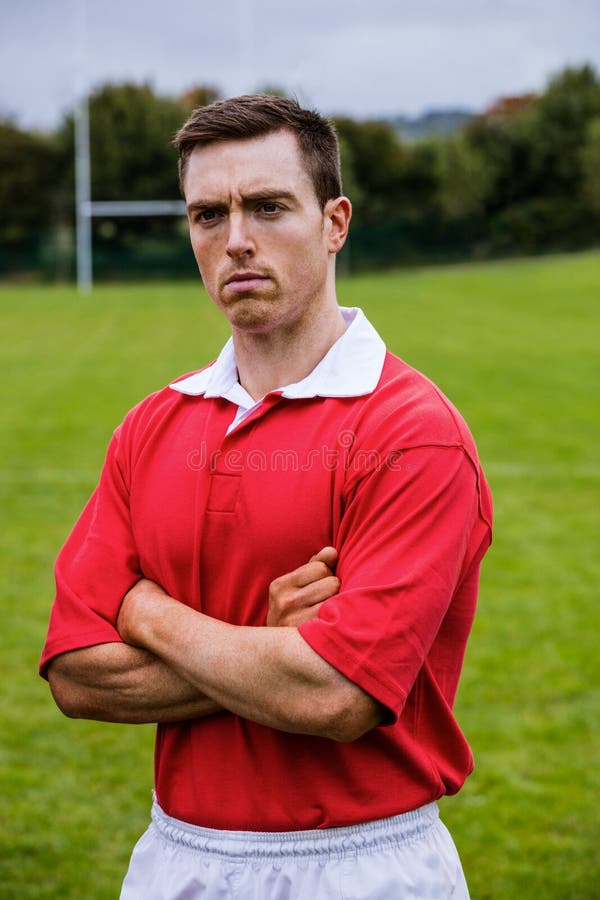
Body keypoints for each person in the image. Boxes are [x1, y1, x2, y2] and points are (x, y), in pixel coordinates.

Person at [40, 94, 493, 899]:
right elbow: (77, 677)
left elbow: (337, 694)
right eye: (208, 215)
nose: (236, 239)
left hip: (362, 864)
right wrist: (267, 646)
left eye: (268, 207)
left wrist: (146, 613)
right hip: (175, 856)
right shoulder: (151, 426)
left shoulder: (412, 432)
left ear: (335, 222)